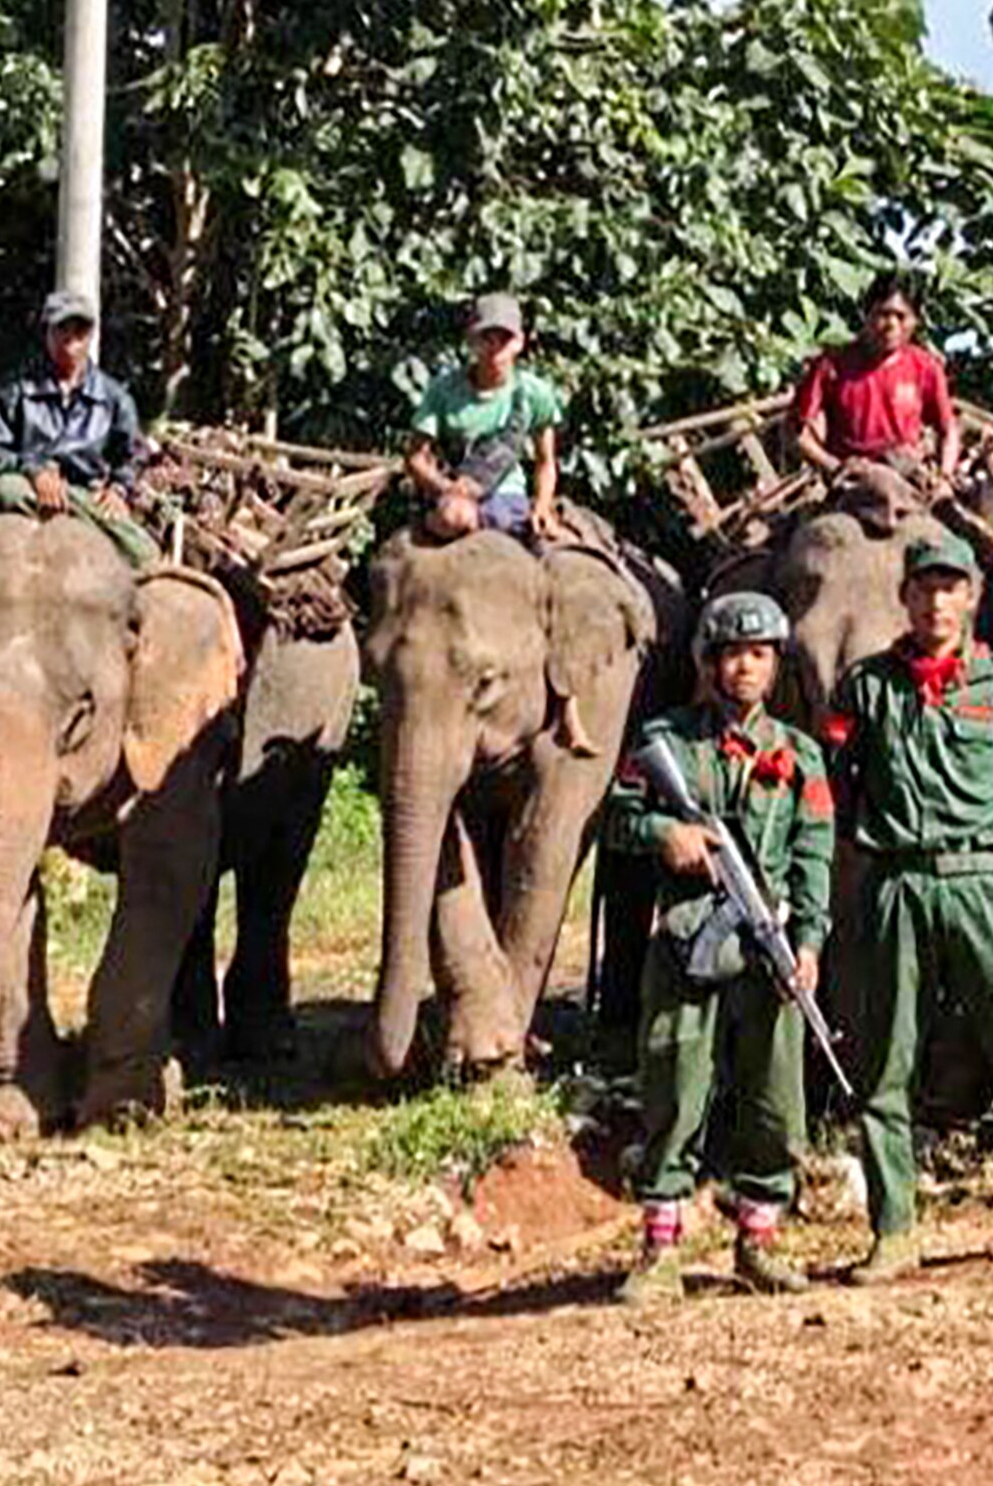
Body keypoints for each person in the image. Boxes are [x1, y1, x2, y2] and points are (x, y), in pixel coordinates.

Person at [826, 534, 993, 1279]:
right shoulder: (866, 686)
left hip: (987, 881)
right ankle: (894, 1228)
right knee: (886, 1060)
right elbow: (836, 779)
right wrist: (874, 842)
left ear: (974, 596)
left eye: (951, 588)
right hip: (899, 884)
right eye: (924, 588)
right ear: (904, 597)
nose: (937, 602)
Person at [605, 591, 835, 1304]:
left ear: (776, 666)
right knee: (675, 1086)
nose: (744, 667)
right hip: (688, 948)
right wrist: (663, 836)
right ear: (709, 662)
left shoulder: (800, 756)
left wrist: (809, 942)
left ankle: (758, 1242)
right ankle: (661, 1248)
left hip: (766, 955)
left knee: (775, 1099)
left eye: (759, 655)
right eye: (732, 654)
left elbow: (814, 858)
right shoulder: (666, 742)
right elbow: (617, 817)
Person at [0, 290, 158, 567]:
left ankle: (83, 523)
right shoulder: (14, 390)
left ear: (91, 335)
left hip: (88, 495)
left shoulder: (113, 397)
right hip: (28, 490)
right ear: (47, 333)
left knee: (142, 553)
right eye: (62, 329)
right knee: (8, 490)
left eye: (80, 330)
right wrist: (34, 470)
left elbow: (132, 454)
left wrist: (118, 490)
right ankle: (87, 528)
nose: (71, 340)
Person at [406, 292, 566, 541]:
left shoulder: (533, 394)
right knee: (453, 517)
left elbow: (545, 462)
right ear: (472, 341)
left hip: (507, 498)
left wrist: (542, 505)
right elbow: (415, 459)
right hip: (455, 495)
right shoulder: (443, 390)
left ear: (519, 343)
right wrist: (446, 487)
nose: (495, 347)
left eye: (504, 338)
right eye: (486, 338)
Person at [791, 273, 963, 485]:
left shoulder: (926, 367)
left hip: (907, 477)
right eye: (883, 314)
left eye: (901, 316)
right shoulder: (832, 365)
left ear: (915, 321)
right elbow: (800, 435)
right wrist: (835, 467)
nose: (891, 324)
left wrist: (944, 477)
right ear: (867, 314)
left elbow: (948, 432)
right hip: (851, 481)